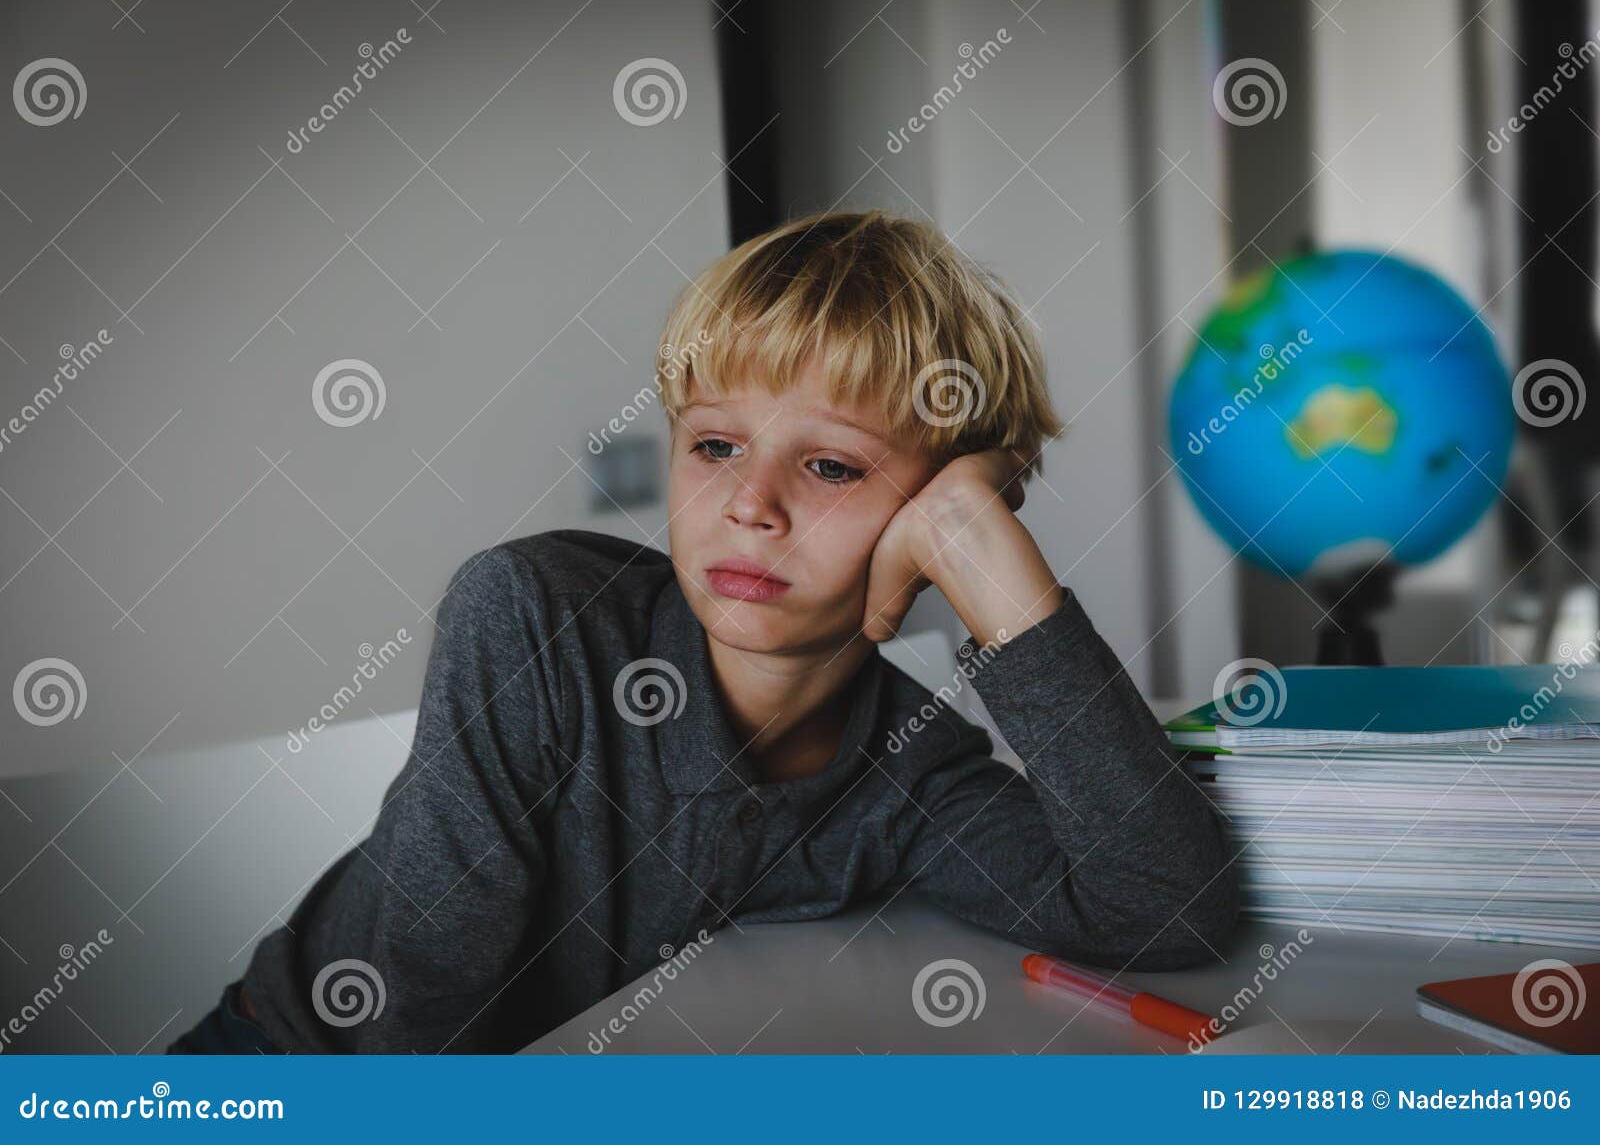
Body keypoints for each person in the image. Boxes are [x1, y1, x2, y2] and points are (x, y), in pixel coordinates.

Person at [168, 210, 1238, 1054]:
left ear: (929, 521)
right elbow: (425, 1010)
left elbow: (1166, 907)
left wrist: (991, 559)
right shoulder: (537, 619)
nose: (750, 504)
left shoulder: (904, 772)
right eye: (715, 444)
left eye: (830, 466)